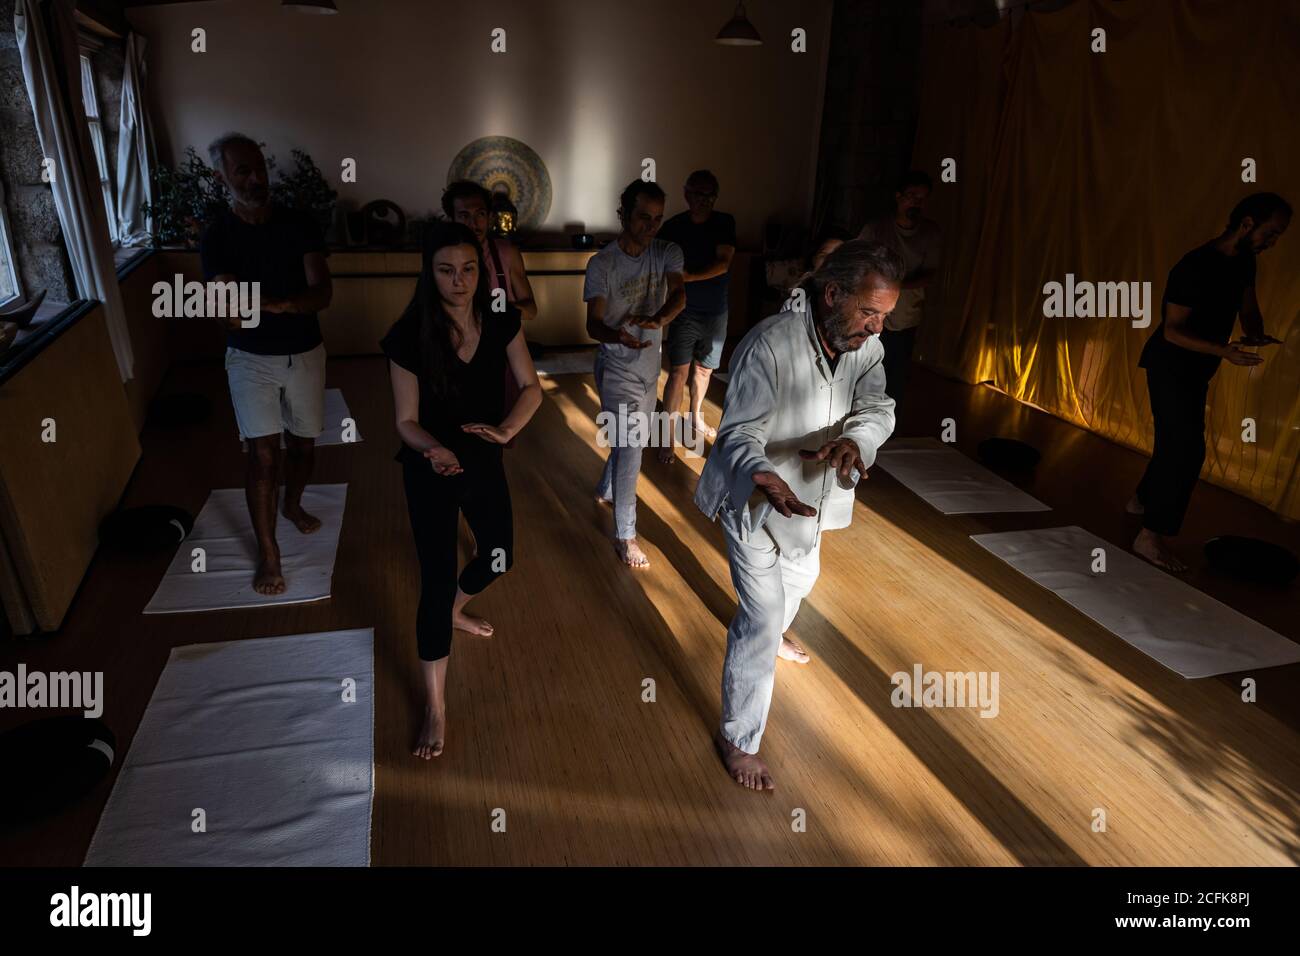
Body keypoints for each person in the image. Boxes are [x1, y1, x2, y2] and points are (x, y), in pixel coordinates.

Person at [695, 240, 902, 791]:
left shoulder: (865, 346)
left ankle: (766, 634)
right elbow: (739, 433)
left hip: (812, 502)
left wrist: (858, 440)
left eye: (885, 316)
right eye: (869, 312)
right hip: (758, 498)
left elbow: (878, 407)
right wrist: (762, 474)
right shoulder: (770, 344)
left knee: (800, 582)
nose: (877, 328)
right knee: (761, 619)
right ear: (832, 294)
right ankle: (738, 739)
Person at [381, 222, 542, 760]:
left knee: (499, 557)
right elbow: (404, 420)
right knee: (433, 579)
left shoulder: (499, 319)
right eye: (447, 270)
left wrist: (506, 430)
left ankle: (455, 607)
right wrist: (435, 449)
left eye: (469, 269)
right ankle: (435, 704)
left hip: (482, 457)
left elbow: (530, 387)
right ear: (430, 273)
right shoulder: (410, 334)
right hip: (429, 464)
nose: (460, 281)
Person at [200, 132, 333, 595]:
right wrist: (248, 306)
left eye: (260, 167)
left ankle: (292, 503)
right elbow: (230, 308)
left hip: (305, 353)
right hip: (250, 359)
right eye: (243, 171)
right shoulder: (218, 236)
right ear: (222, 177)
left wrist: (278, 305)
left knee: (304, 446)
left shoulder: (299, 223)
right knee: (261, 455)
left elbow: (322, 293)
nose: (256, 178)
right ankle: (269, 553)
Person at [1131, 192, 1291, 572]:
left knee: (1175, 441)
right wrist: (1224, 350)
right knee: (1186, 450)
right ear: (1247, 223)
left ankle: (1139, 501)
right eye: (1270, 233)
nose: (1272, 243)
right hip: (1169, 365)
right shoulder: (1194, 266)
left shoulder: (1245, 261)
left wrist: (1254, 333)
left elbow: (1248, 306)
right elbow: (1171, 332)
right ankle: (1149, 536)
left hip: (1197, 368)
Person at [584, 180, 686, 569]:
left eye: (658, 219)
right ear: (623, 215)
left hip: (647, 367)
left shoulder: (667, 251)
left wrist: (658, 319)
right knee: (632, 448)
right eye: (643, 217)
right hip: (615, 366)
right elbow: (593, 324)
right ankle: (625, 535)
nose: (651, 226)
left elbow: (679, 294)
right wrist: (619, 336)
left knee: (632, 439)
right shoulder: (602, 264)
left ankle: (605, 488)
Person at [656, 170, 736, 463]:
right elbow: (658, 264)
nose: (704, 200)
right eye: (698, 194)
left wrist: (687, 277)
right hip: (683, 310)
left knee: (704, 370)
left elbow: (723, 263)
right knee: (677, 371)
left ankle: (695, 417)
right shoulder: (673, 227)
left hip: (715, 310)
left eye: (710, 195)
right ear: (686, 193)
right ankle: (666, 436)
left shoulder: (724, 222)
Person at [857, 170, 942, 409]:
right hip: (871, 311)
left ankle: (888, 424)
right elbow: (858, 263)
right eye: (911, 196)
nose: (916, 202)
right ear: (898, 196)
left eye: (922, 198)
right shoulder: (876, 229)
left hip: (906, 314)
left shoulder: (930, 233)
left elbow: (930, 274)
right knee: (863, 365)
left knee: (895, 371)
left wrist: (895, 285)